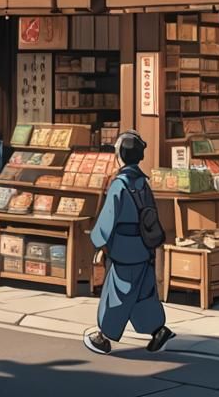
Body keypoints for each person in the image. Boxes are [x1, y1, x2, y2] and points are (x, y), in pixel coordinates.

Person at [84, 130, 173, 356]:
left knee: (118, 292)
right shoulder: (143, 183)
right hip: (144, 245)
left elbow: (108, 218)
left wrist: (97, 239)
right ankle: (158, 330)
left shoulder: (119, 184)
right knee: (144, 292)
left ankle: (104, 336)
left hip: (124, 248)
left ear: (120, 155)